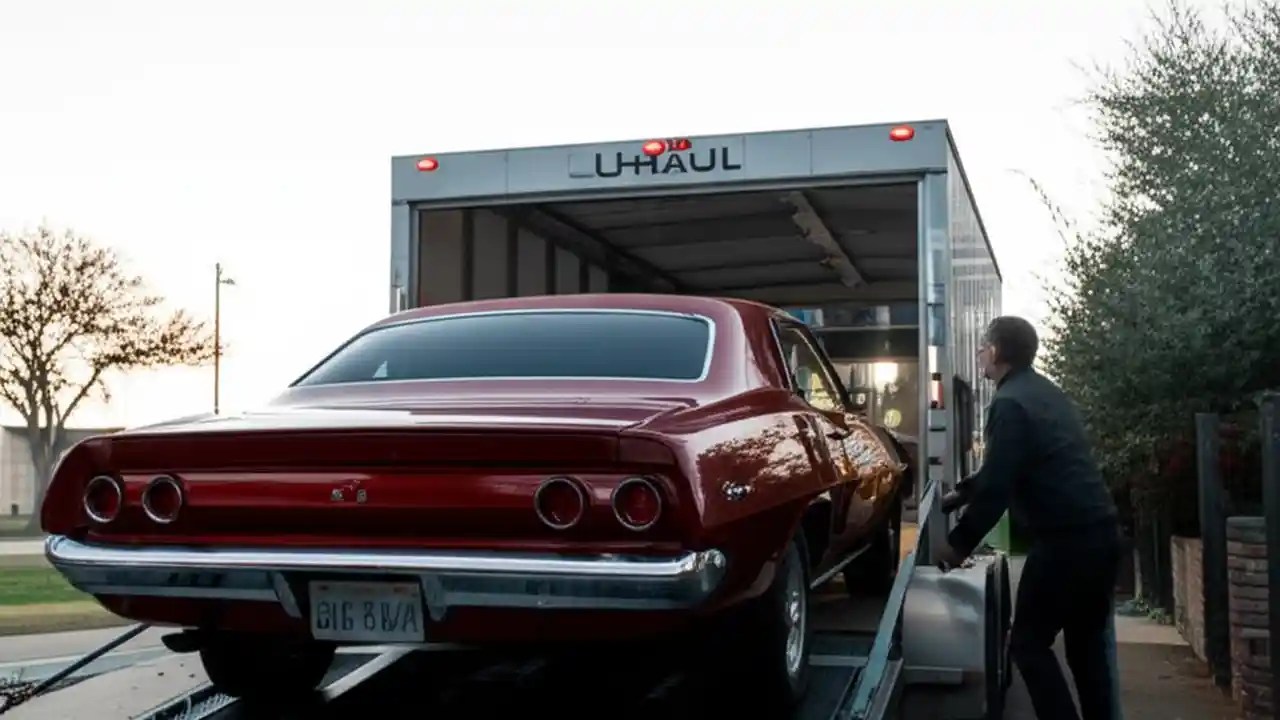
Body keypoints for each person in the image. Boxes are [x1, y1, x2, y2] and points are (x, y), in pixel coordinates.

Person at [938, 316, 1122, 720]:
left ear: (996, 352)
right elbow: (1009, 467)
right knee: (1086, 649)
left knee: (1027, 643)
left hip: (1065, 544)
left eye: (983, 346)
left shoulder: (1008, 403)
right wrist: (962, 493)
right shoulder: (1045, 393)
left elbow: (998, 487)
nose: (979, 353)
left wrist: (957, 545)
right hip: (1101, 537)